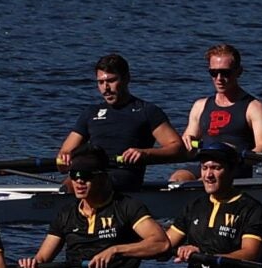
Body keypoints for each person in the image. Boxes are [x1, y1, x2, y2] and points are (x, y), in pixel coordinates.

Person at [16, 149, 170, 268]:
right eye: (74, 175)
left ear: (102, 177)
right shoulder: (66, 213)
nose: (79, 181)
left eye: (85, 175)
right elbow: (43, 258)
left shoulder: (126, 207)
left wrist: (116, 250)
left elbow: (161, 243)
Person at [157, 143, 262, 268]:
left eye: (216, 168)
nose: (208, 175)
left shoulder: (252, 209)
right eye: (204, 168)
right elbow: (163, 246)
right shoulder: (195, 206)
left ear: (232, 171)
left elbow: (250, 254)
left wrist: (204, 255)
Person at [53, 54, 183, 190]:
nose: (106, 88)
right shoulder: (91, 113)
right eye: (101, 82)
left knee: (89, 182)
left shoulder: (147, 111)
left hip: (124, 174)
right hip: (91, 172)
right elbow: (66, 150)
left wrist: (145, 153)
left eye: (111, 80)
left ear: (126, 79)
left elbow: (177, 148)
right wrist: (65, 159)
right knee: (67, 186)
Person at [170, 42, 262, 182]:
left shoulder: (255, 108)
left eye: (225, 73)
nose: (219, 78)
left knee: (206, 181)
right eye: (214, 72)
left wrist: (234, 157)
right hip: (207, 167)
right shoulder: (200, 106)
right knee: (177, 178)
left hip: (235, 169)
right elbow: (189, 137)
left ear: (239, 71)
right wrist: (187, 141)